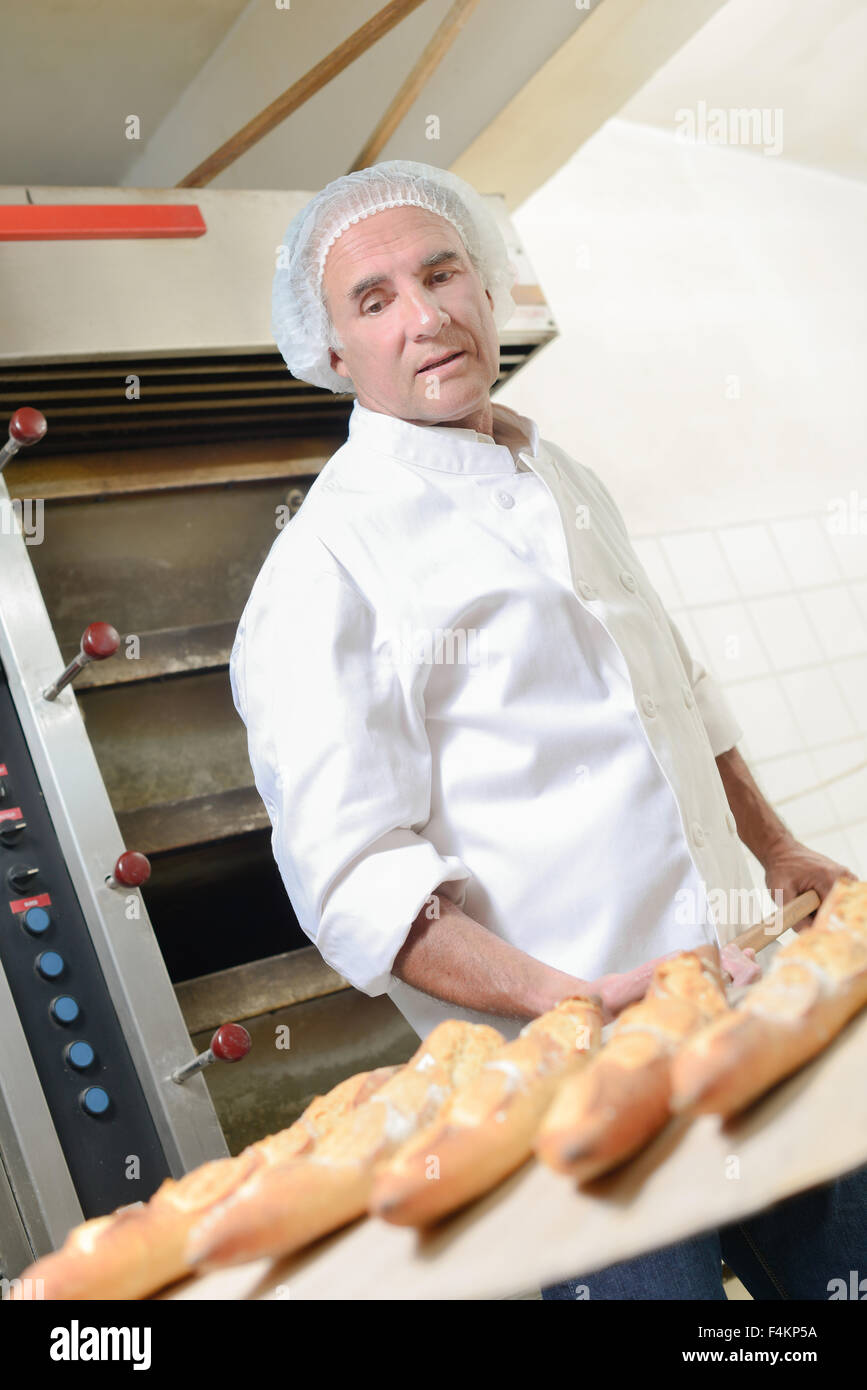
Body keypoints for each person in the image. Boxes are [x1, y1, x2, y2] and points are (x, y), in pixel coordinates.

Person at [229, 159, 863, 1298]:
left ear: (488, 285)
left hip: (751, 1014)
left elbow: (677, 684)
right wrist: (568, 1000)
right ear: (330, 350)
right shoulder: (323, 564)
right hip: (575, 1102)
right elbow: (361, 886)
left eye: (443, 273)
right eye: (375, 301)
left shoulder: (556, 470)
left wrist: (775, 848)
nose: (426, 317)